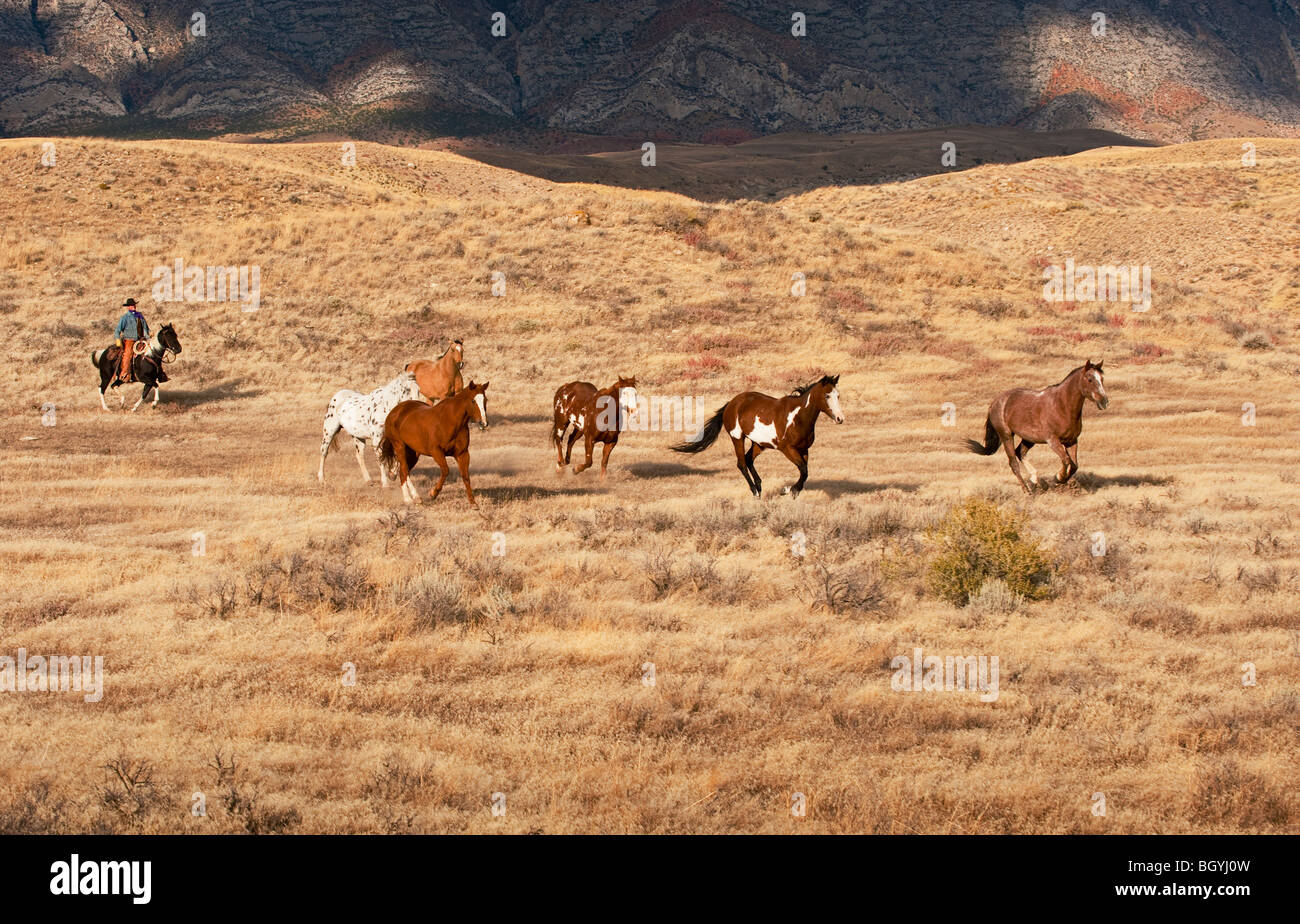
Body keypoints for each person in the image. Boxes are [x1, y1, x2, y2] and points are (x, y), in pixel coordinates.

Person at [113, 298, 149, 383]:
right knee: (128, 355)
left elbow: (145, 328)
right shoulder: (125, 318)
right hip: (129, 341)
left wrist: (147, 338)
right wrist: (118, 343)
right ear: (128, 307)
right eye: (132, 305)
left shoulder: (140, 315)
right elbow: (117, 331)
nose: (134, 306)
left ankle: (158, 373)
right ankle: (125, 374)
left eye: (134, 305)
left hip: (141, 340)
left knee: (152, 352)